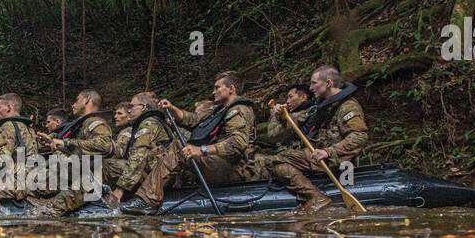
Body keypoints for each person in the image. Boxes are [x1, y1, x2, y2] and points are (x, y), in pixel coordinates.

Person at [122, 71, 256, 215]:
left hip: (235, 167)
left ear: (231, 89)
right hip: (218, 162)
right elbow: (194, 120)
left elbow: (237, 143)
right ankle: (145, 193)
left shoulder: (239, 109)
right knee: (171, 148)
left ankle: (147, 201)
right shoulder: (218, 110)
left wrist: (201, 150)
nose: (213, 91)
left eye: (217, 87)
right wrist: (172, 109)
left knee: (181, 146)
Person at [259, 66, 368, 213]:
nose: (310, 88)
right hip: (318, 157)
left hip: (335, 160)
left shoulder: (348, 107)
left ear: (328, 83)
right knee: (270, 159)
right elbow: (289, 126)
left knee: (275, 161)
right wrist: (279, 115)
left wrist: (328, 152)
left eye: (314, 83)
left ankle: (316, 198)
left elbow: (359, 137)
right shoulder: (322, 106)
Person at [26, 89, 114, 216]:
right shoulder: (83, 124)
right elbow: (79, 150)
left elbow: (105, 146)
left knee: (46, 208)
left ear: (87, 99)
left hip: (89, 175)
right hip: (76, 171)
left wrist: (65, 143)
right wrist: (54, 143)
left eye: (77, 100)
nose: (73, 104)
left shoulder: (96, 122)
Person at [103, 92, 170, 209]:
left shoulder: (148, 124)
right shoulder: (154, 122)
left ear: (143, 107)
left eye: (132, 107)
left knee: (105, 165)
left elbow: (138, 158)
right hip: (157, 174)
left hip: (154, 177)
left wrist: (119, 191)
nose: (129, 111)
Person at [251, 83, 314, 179]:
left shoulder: (300, 115)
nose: (287, 102)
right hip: (291, 152)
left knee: (257, 161)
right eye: (287, 98)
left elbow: (272, 135)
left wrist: (275, 116)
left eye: (290, 97)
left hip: (298, 156)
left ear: (303, 97)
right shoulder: (297, 113)